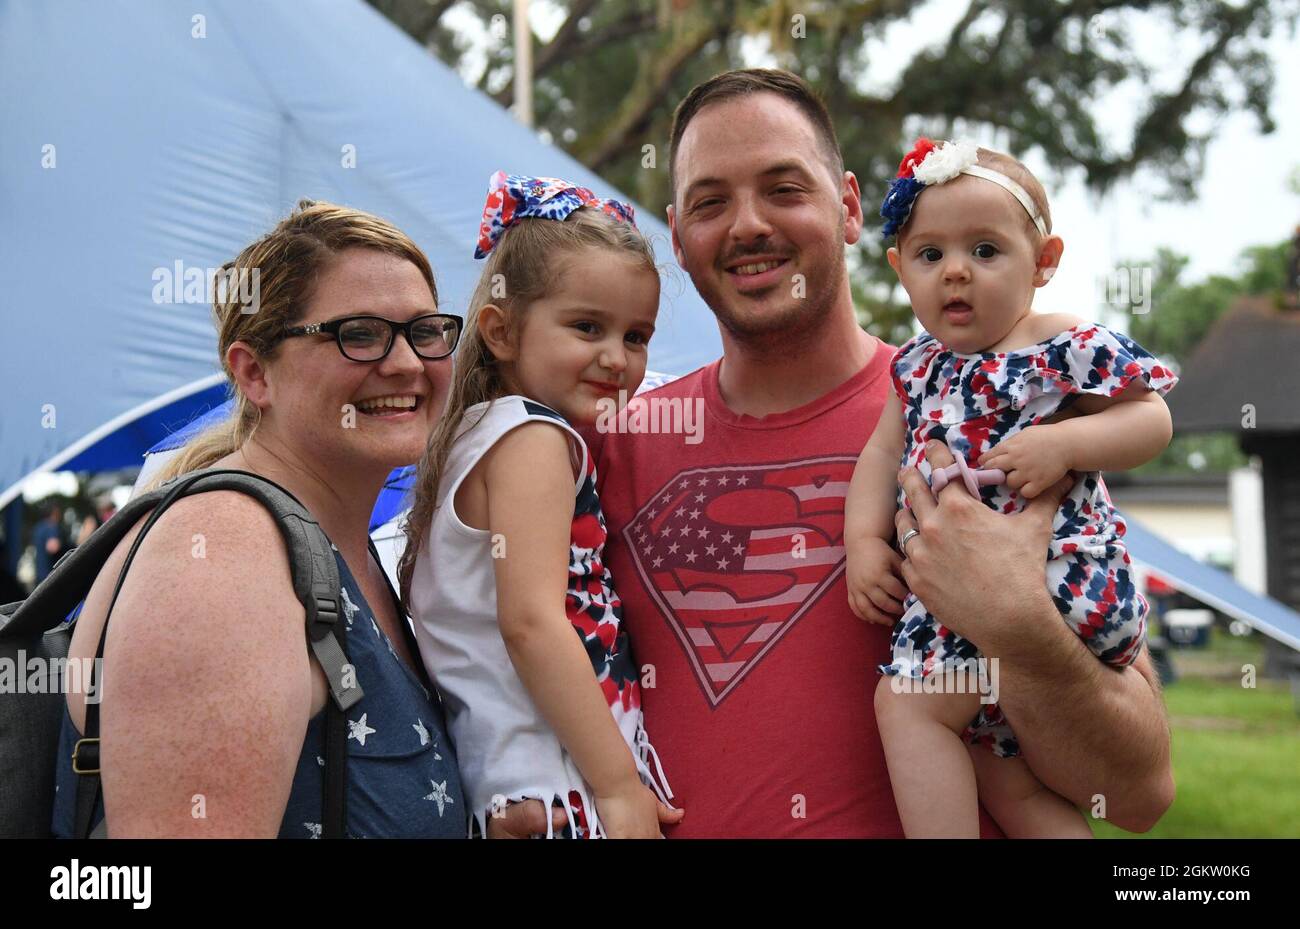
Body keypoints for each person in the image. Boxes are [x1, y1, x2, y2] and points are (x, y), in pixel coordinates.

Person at [482, 68, 1174, 839]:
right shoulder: (598, 449)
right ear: (676, 236)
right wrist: (512, 802)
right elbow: (502, 651)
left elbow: (1138, 793)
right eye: (711, 202)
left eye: (783, 189)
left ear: (848, 207)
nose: (748, 225)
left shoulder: (982, 418)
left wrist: (1019, 626)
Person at [51, 200, 468, 838]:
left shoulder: (335, 550)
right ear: (254, 373)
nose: (408, 362)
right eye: (359, 334)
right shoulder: (222, 552)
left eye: (426, 331)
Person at [845, 138, 1178, 838]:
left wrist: (1065, 443)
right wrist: (863, 542)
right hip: (956, 603)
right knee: (1009, 780)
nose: (956, 271)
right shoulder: (917, 367)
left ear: (1043, 261)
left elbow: (1151, 419)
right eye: (930, 254)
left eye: (985, 250)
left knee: (906, 704)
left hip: (1056, 586)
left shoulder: (1061, 344)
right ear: (899, 268)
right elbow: (879, 456)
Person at [400, 173, 681, 838]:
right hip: (565, 794)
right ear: (501, 331)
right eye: (587, 327)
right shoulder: (532, 439)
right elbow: (531, 623)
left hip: (524, 786)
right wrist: (619, 788)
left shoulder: (473, 435)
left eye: (636, 336)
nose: (616, 358)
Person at [32, 504, 68, 583]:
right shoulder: (51, 527)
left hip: (40, 576)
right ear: (55, 513)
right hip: (51, 577)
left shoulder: (38, 528)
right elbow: (52, 547)